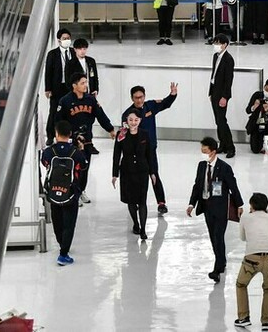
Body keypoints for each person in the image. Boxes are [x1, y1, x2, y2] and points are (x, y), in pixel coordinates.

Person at [187, 136, 244, 283]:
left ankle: (217, 269)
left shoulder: (224, 168)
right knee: (213, 237)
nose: (203, 153)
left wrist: (239, 205)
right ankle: (221, 260)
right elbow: (197, 186)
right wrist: (192, 204)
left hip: (220, 208)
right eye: (201, 150)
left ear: (213, 151)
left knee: (218, 236)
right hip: (207, 207)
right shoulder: (201, 166)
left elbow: (233, 187)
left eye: (205, 151)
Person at [56, 72, 115, 203]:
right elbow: (58, 121)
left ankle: (81, 191)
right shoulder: (65, 101)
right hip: (71, 141)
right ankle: (72, 193)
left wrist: (110, 129)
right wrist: (60, 137)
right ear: (74, 85)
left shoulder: (91, 100)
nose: (86, 85)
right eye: (82, 83)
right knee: (71, 167)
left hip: (87, 140)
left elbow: (100, 115)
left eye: (86, 82)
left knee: (84, 167)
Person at [121, 83, 178, 215]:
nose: (139, 100)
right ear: (132, 98)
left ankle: (161, 202)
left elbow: (165, 103)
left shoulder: (150, 106)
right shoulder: (127, 115)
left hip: (150, 148)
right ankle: (135, 201)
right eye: (136, 97)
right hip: (136, 152)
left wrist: (173, 94)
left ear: (144, 96)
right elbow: (125, 134)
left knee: (154, 173)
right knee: (136, 178)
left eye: (141, 97)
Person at [41, 120, 88, 266]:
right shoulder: (76, 153)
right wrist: (81, 148)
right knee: (69, 223)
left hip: (54, 192)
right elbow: (83, 167)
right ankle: (63, 254)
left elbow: (44, 163)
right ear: (70, 134)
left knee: (57, 221)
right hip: (71, 193)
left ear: (56, 133)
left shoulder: (49, 152)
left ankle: (62, 243)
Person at [234, 192, 268, 331]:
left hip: (251, 258)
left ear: (251, 206)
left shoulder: (245, 217)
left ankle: (244, 318)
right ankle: (266, 321)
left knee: (241, 284)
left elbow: (242, 238)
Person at [111, 110, 157, 240]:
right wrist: (115, 174)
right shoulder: (121, 134)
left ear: (140, 121)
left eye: (136, 120)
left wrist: (152, 172)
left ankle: (143, 229)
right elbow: (116, 154)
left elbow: (150, 154)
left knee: (142, 201)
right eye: (131, 120)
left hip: (142, 171)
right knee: (131, 200)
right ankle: (136, 224)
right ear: (126, 120)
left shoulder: (145, 134)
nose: (133, 122)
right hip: (127, 171)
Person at [43, 28, 74, 144]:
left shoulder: (73, 52)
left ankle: (70, 135)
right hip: (57, 87)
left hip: (70, 87)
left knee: (70, 111)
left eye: (68, 38)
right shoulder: (52, 54)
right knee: (54, 111)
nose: (67, 40)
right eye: (64, 38)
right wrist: (48, 88)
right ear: (59, 40)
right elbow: (48, 72)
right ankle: (50, 136)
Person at [209, 34, 236, 158]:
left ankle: (230, 147)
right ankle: (223, 144)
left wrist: (225, 97)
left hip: (222, 94)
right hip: (214, 91)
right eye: (215, 43)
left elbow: (228, 80)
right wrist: (211, 92)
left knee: (222, 121)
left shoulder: (229, 59)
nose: (216, 45)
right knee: (218, 121)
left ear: (225, 44)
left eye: (218, 43)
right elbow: (213, 74)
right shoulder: (216, 56)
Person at [246, 78, 268, 154]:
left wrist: (267, 111)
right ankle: (258, 140)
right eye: (266, 89)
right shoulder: (256, 95)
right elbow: (247, 110)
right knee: (255, 150)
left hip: (267, 122)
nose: (267, 92)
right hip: (256, 122)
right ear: (264, 87)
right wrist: (254, 107)